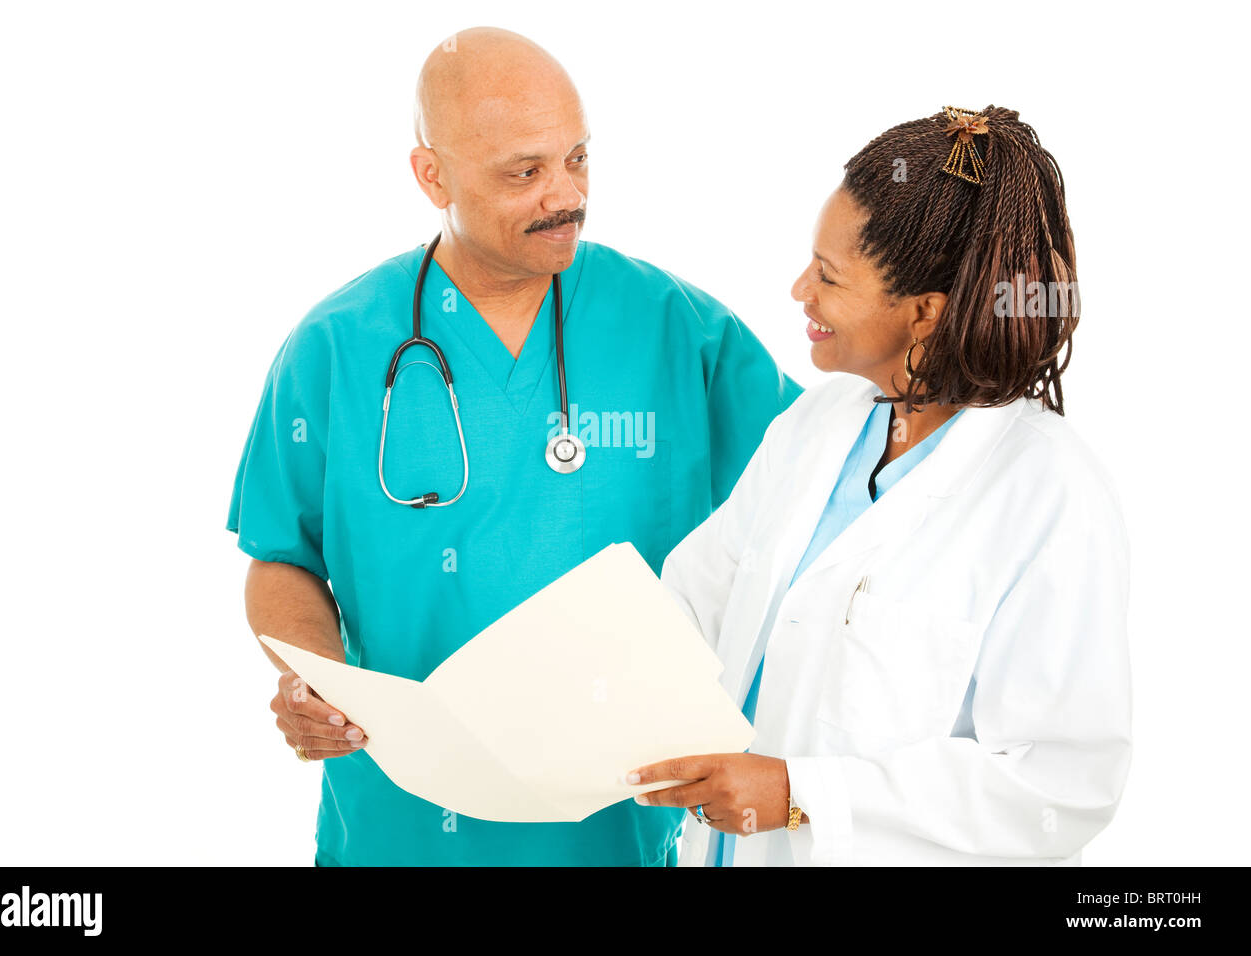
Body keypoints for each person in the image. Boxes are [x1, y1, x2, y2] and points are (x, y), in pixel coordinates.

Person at [226, 26, 801, 866]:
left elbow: (827, 487)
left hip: (618, 823)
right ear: (432, 176)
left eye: (578, 159)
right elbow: (280, 556)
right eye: (525, 173)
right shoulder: (336, 347)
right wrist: (313, 677)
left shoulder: (676, 327)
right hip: (399, 825)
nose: (565, 195)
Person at [628, 106, 1131, 866]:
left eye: (829, 277)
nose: (800, 289)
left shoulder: (1048, 494)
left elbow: (1057, 785)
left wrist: (802, 794)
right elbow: (692, 605)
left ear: (925, 313)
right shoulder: (816, 425)